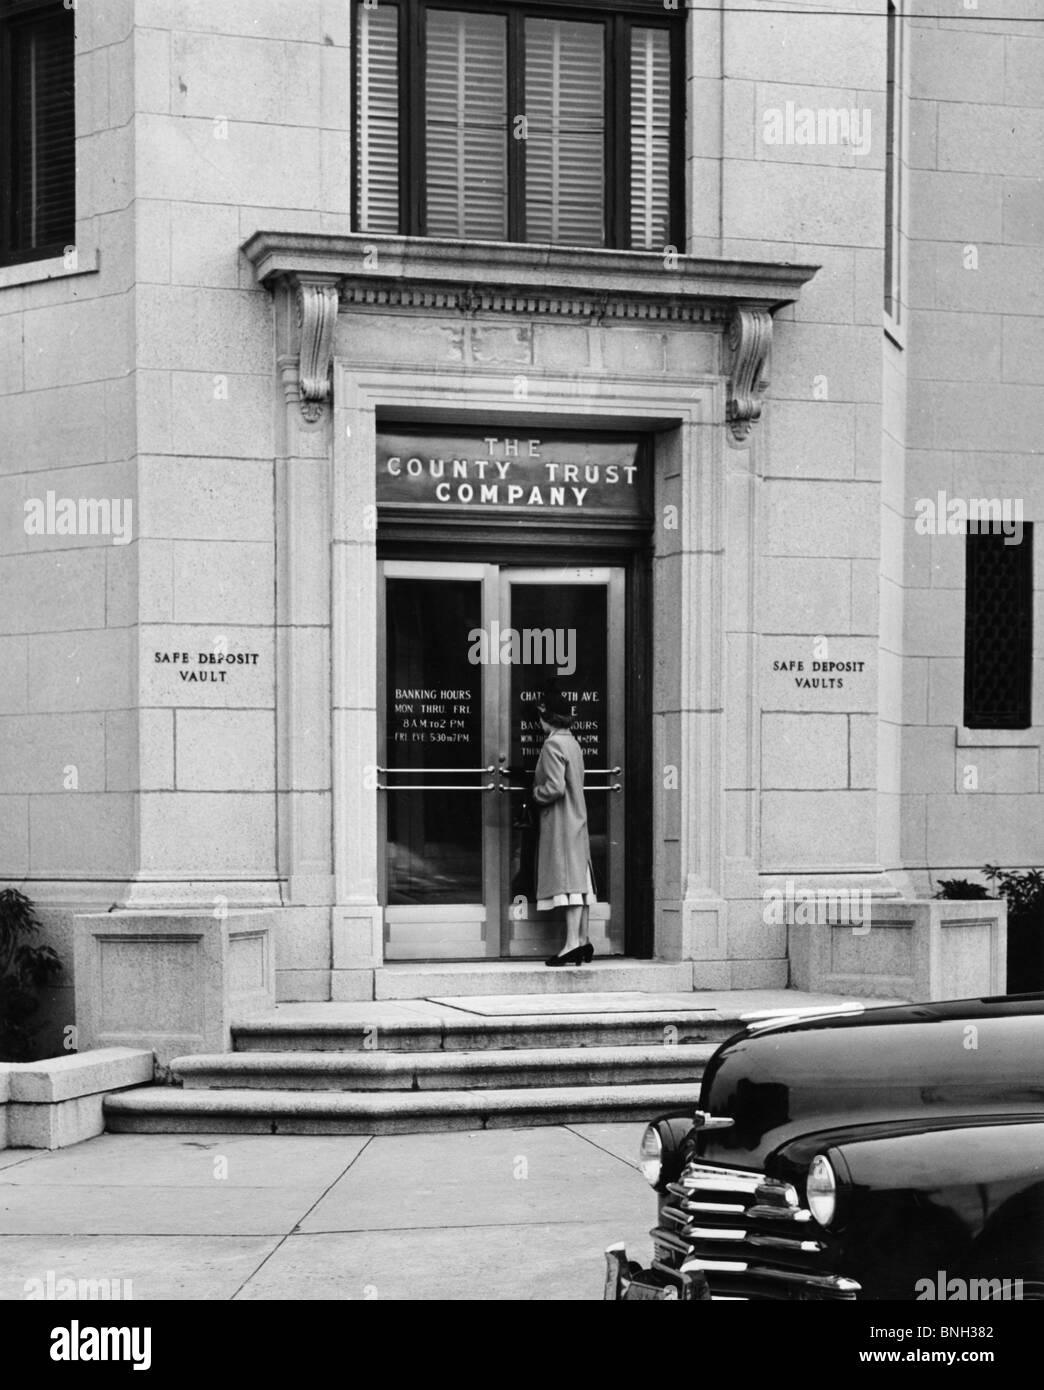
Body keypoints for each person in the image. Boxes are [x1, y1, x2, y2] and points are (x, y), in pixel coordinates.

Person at [532, 682, 597, 966]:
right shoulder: (572, 742)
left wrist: (536, 793)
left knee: (569, 883)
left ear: (546, 716)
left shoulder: (552, 744)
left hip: (561, 820)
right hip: (577, 818)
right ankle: (582, 940)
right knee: (581, 883)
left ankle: (571, 945)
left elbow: (555, 787)